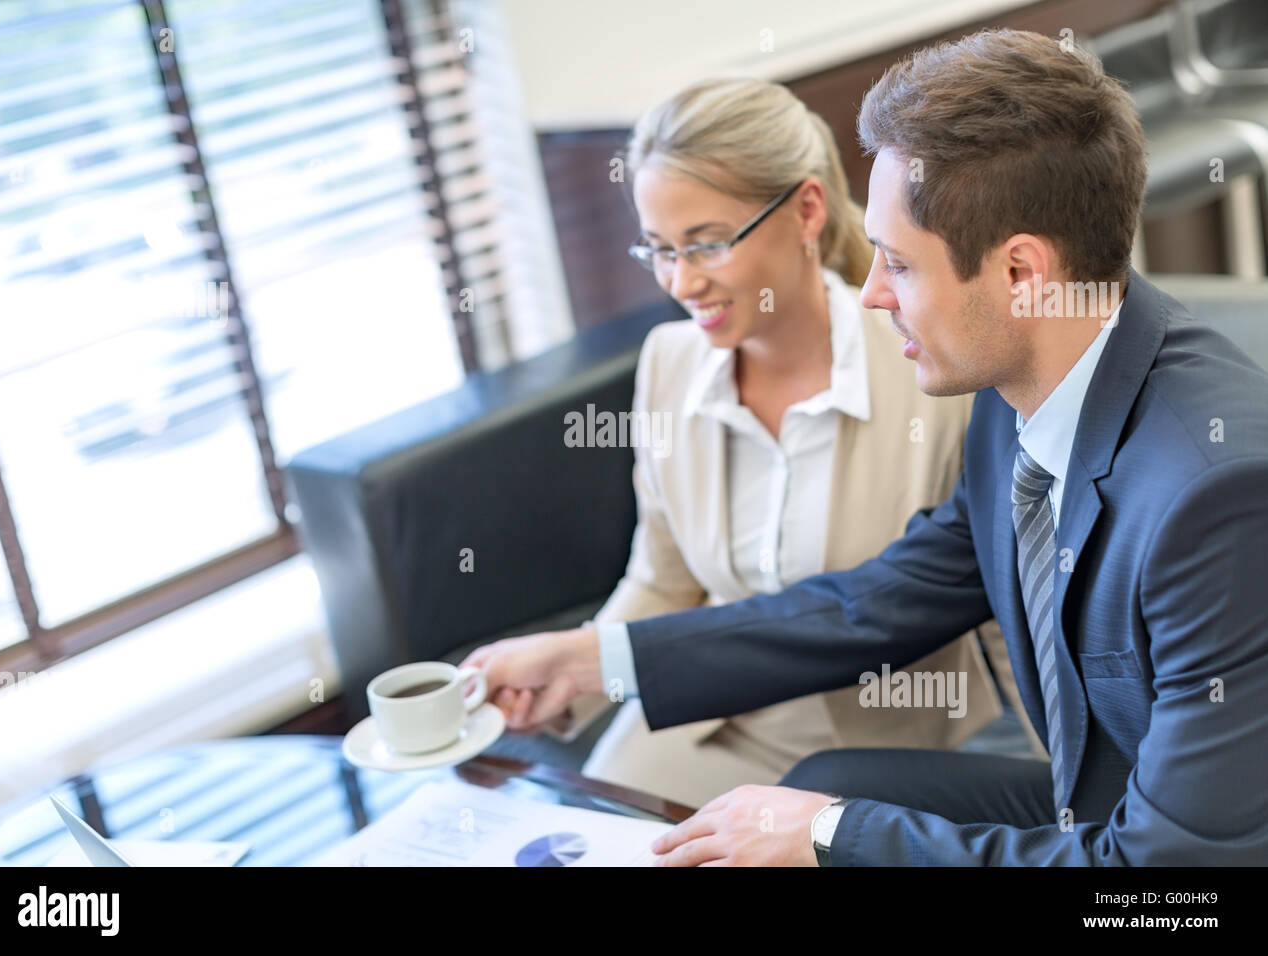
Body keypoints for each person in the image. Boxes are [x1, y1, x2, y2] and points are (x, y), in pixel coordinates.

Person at [467, 29, 1268, 865]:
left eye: (898, 263)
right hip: (1099, 804)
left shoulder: (1218, 502)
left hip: (1169, 870)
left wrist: (827, 834)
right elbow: (882, 599)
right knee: (818, 783)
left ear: (1022, 274)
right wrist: (594, 659)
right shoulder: (1022, 378)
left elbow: (1166, 886)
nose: (875, 294)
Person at [492, 77, 1032, 810]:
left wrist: (1067, 797)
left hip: (891, 742)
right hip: (714, 719)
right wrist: (565, 682)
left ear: (806, 210)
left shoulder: (932, 370)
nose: (681, 281)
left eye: (708, 244)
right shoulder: (669, 362)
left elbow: (1003, 601)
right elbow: (665, 578)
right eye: (657, 249)